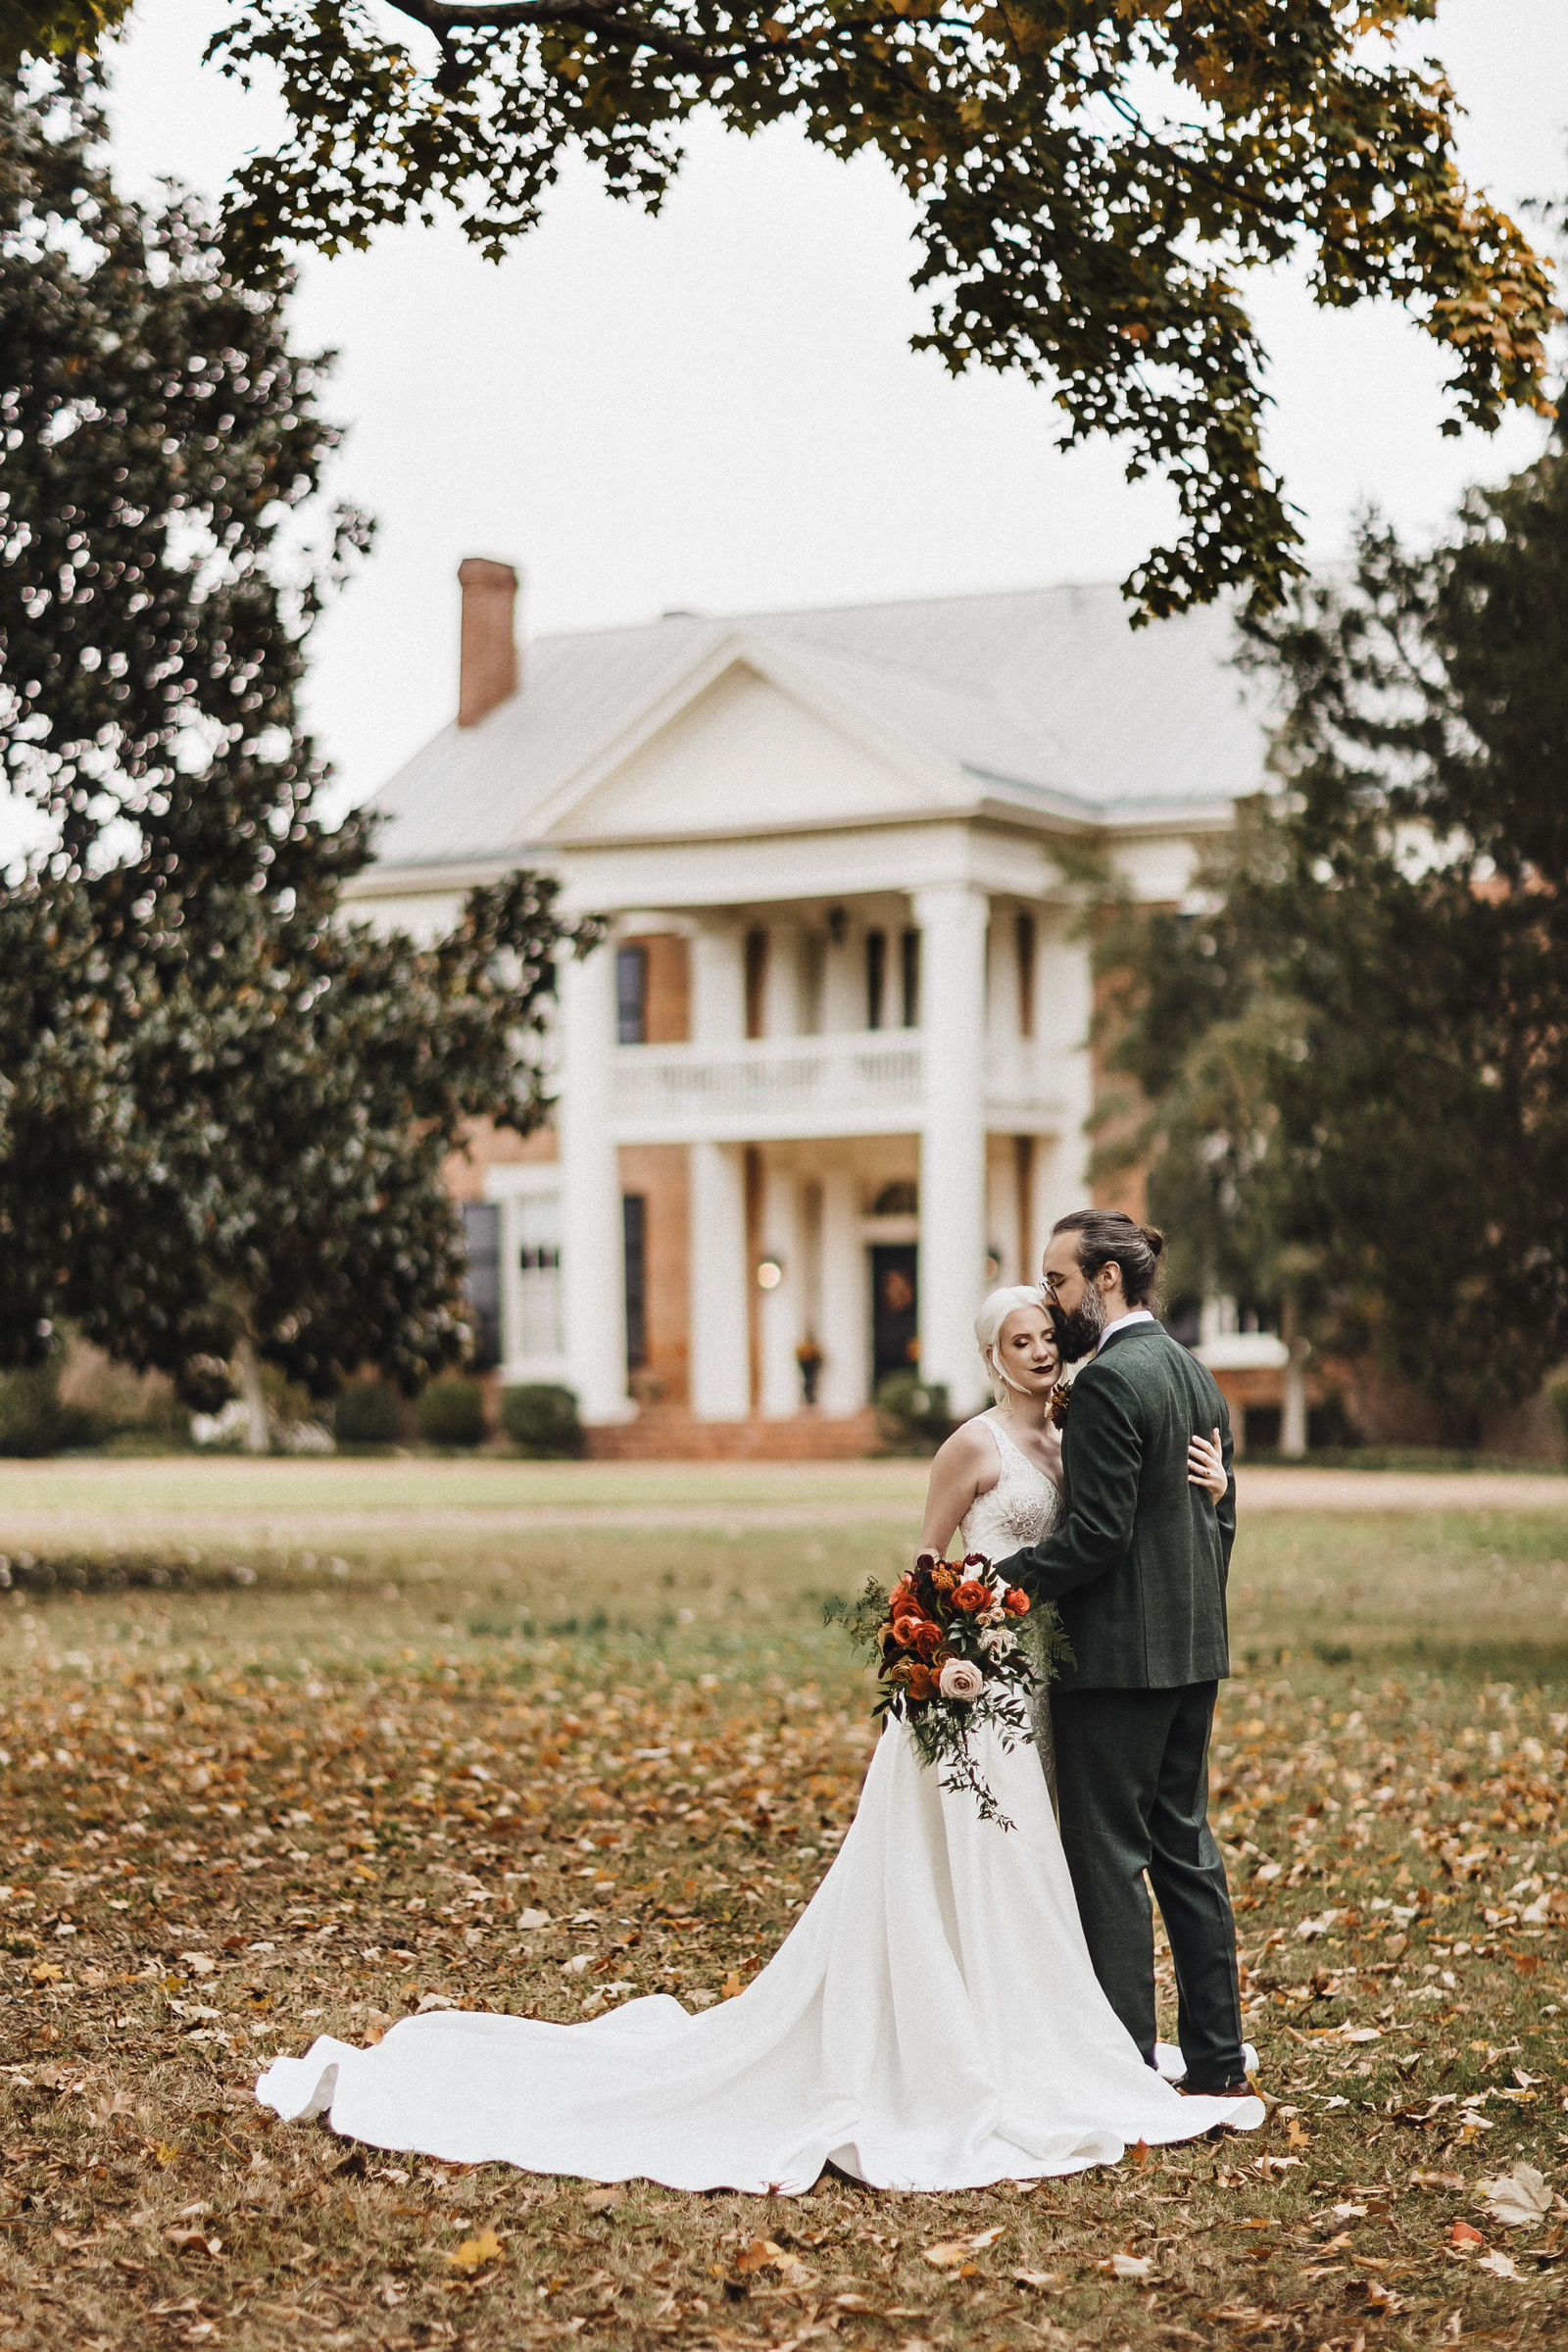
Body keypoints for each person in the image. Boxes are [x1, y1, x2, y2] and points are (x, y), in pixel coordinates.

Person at [257, 1285, 1261, 2191]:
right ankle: (960, 2045)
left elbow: (1117, 1528)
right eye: (1018, 1340)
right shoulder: (975, 1445)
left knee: (1036, 1863)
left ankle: (1040, 2030)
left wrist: (1215, 1492)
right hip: (976, 1681)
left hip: (1052, 1685)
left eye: (1046, 1334)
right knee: (972, 1862)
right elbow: (920, 1569)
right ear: (993, 1358)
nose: (1039, 1351)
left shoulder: (1077, 1428)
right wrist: (938, 1652)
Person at [993, 1210, 1250, 2101]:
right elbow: (1216, 1513)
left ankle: (1122, 2066)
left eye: (1058, 1281)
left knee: (1106, 1856)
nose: (1050, 1300)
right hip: (1193, 1652)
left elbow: (1096, 1537)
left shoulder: (1107, 1385)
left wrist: (997, 1585)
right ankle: (1218, 2061)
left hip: (1114, 1661)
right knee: (1184, 1847)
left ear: (1106, 1280)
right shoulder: (1194, 1374)